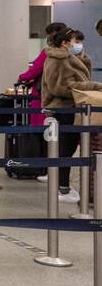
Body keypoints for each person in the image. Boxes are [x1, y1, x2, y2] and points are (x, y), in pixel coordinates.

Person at [41, 27, 102, 203]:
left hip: (73, 107)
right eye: (73, 41)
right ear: (64, 43)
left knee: (70, 147)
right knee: (65, 148)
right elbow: (59, 87)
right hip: (64, 108)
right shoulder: (57, 59)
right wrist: (93, 87)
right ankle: (63, 186)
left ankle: (63, 185)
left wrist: (83, 59)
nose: (77, 45)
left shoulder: (71, 58)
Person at [17, 22, 66, 129]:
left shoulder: (48, 52)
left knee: (41, 129)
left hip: (43, 95)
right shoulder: (69, 53)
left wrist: (21, 77)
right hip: (64, 97)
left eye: (48, 33)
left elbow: (34, 71)